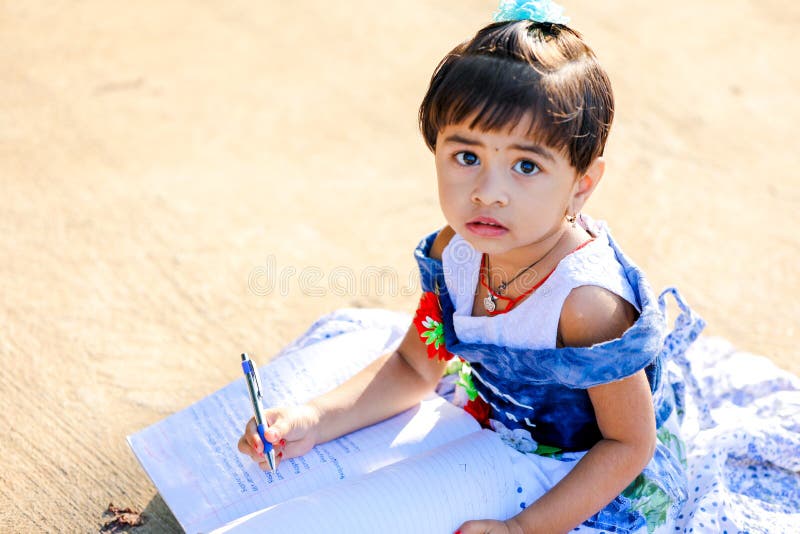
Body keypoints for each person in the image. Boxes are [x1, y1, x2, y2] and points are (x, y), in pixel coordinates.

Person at [238, 1, 704, 532]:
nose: (487, 193)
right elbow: (418, 365)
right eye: (466, 157)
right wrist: (315, 420)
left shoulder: (587, 305)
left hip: (580, 473)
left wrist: (523, 530)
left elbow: (628, 444)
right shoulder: (453, 252)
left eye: (526, 166)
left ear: (582, 184)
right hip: (489, 431)